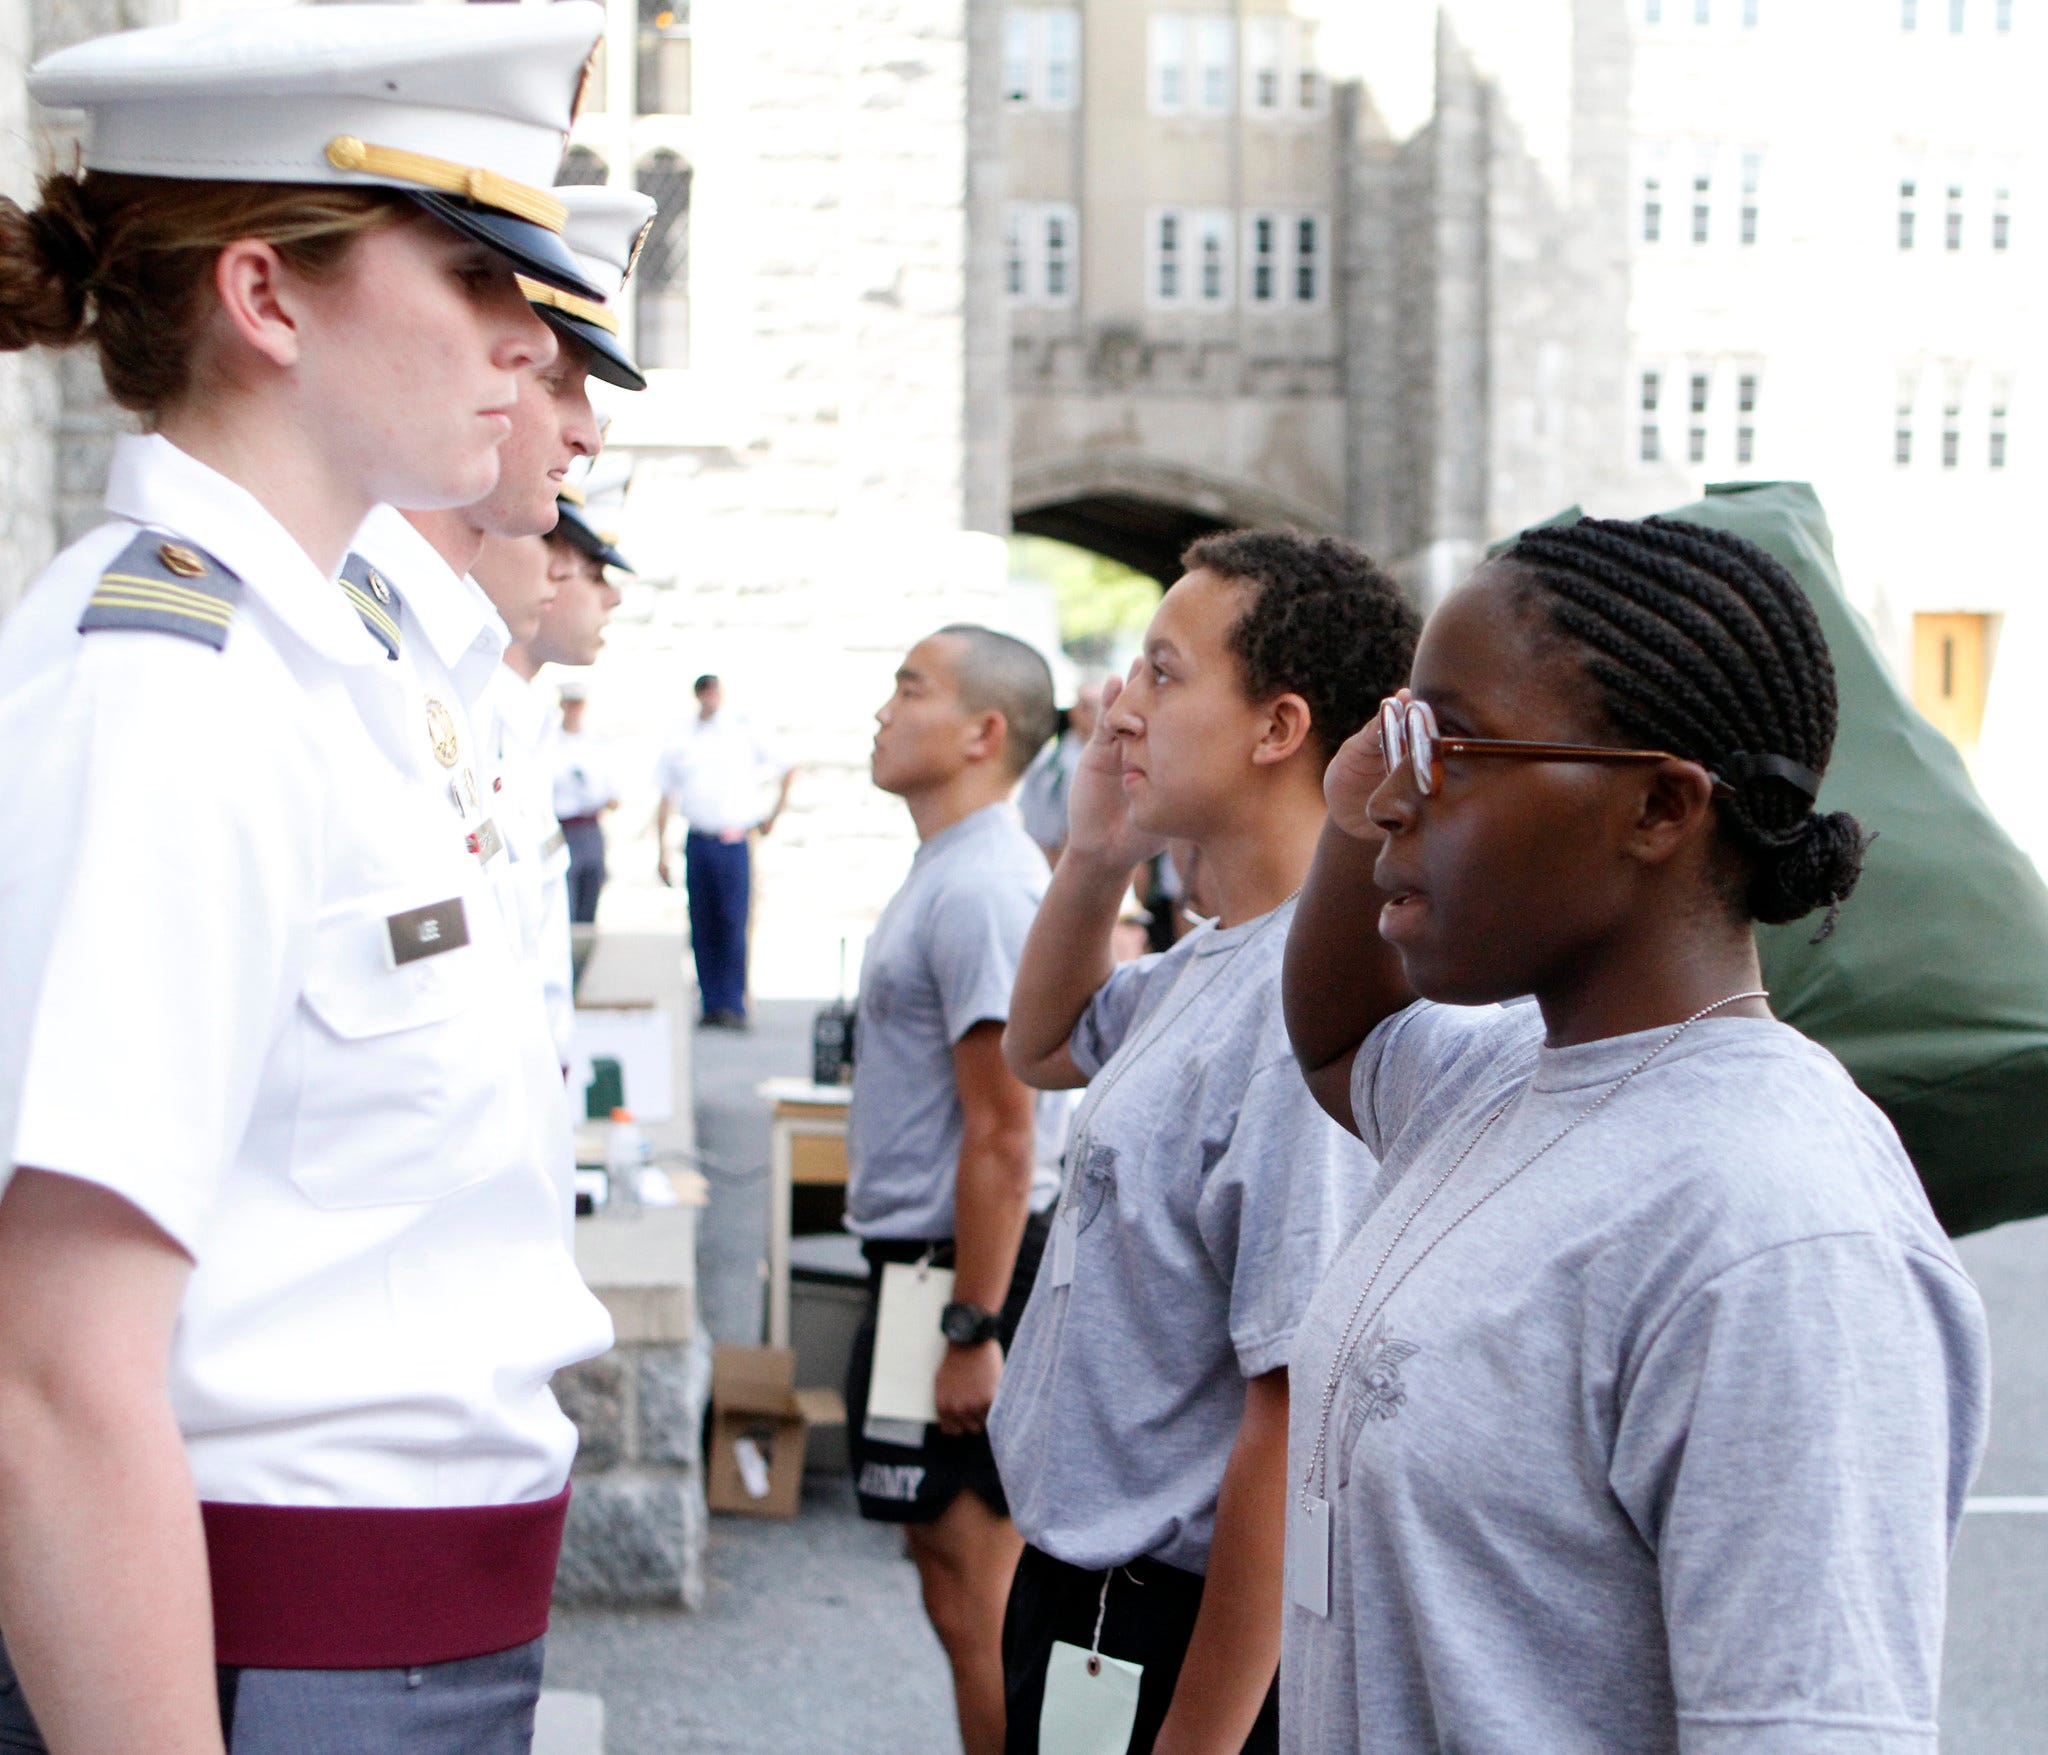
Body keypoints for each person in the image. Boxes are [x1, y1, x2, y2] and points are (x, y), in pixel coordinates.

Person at [0, 7, 614, 1753]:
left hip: (392, 1650)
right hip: (259, 1665)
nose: (527, 344)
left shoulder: (317, 670)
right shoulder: (166, 693)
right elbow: (50, 1376)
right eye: (476, 274)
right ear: (267, 300)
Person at [1278, 516, 1991, 1752]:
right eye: (1402, 736)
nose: (1391, 797)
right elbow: (1337, 1037)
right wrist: (1363, 807)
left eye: (1448, 747)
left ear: (1658, 806)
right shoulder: (1506, 1075)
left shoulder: (1777, 1231)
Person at [991, 532, 1418, 1755]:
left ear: (1277, 728)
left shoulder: (1309, 1013)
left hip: (1173, 1636)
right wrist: (1094, 853)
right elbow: (1045, 1044)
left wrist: (1200, 1735)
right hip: (1091, 1606)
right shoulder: (1215, 962)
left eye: (1163, 674)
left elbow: (1291, 1419)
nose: (1122, 709)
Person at [843, 624, 1066, 1755]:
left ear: (984, 731)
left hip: (959, 1271)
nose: (882, 709)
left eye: (908, 687)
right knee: (945, 1574)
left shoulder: (984, 882)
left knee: (980, 1587)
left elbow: (1004, 1130)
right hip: (918, 1269)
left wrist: (973, 1326)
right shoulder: (949, 865)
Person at [655, 673, 797, 1028]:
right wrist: (661, 849)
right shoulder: (682, 737)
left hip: (733, 838)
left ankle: (734, 1001)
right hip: (699, 837)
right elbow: (666, 795)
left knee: (733, 921)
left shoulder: (741, 731)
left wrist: (773, 815)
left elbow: (787, 766)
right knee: (702, 923)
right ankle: (711, 1001)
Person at [1015, 677, 1102, 863]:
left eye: (1093, 706)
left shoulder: (1114, 761)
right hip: (1039, 851)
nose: (1085, 713)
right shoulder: (1049, 758)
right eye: (1082, 705)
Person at [553, 681, 619, 926]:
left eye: (578, 705)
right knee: (562, 900)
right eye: (570, 704)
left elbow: (614, 796)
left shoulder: (597, 744)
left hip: (590, 827)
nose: (574, 710)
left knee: (590, 897)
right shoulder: (550, 741)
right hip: (561, 828)